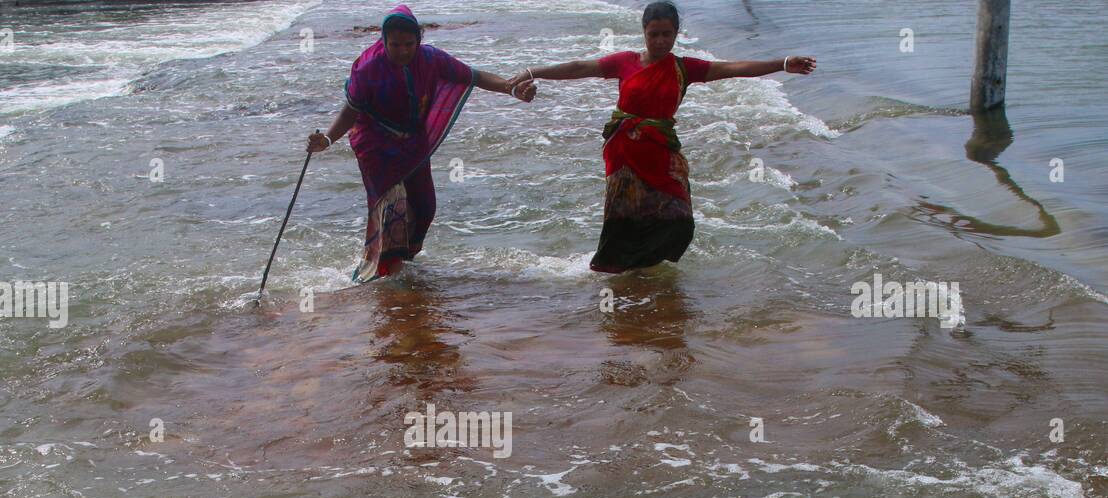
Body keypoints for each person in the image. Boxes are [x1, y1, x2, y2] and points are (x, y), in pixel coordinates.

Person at [508, 2, 816, 273]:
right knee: (624, 217)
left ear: (676, 34)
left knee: (679, 221)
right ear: (643, 32)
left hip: (661, 151)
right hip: (624, 151)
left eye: (666, 34)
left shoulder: (684, 68)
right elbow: (580, 67)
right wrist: (533, 71)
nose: (660, 41)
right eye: (653, 34)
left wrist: (782, 64)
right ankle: (615, 275)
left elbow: (732, 68)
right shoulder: (625, 62)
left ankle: (644, 269)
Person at [307, 5, 534, 283]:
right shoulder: (368, 69)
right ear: (383, 40)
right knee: (393, 208)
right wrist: (328, 139)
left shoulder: (431, 59)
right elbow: (348, 113)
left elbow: (475, 76)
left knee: (425, 207)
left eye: (409, 44)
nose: (402, 51)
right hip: (375, 144)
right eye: (395, 45)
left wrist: (512, 88)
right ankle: (386, 281)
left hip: (413, 142)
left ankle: (402, 263)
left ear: (419, 40)